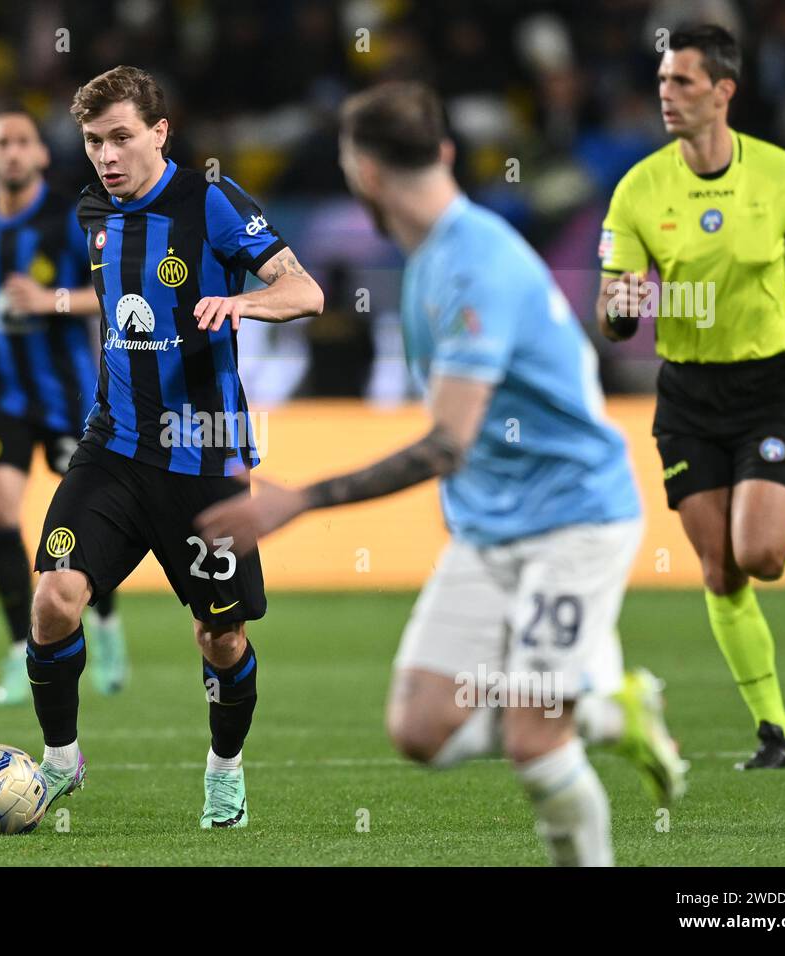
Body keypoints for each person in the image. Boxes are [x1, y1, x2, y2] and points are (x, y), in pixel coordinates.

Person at [197, 81, 687, 866]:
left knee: (534, 739)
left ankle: (576, 738)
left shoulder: (472, 265)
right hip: (490, 528)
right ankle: (607, 711)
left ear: (361, 174)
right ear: (447, 153)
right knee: (420, 730)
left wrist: (302, 501)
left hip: (575, 521)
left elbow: (445, 445)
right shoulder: (429, 260)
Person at [28, 65, 325, 829]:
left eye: (122, 137)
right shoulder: (91, 208)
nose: (107, 156)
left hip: (205, 456)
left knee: (220, 635)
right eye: (94, 141)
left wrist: (242, 301)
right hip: (115, 448)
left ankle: (225, 770)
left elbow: (307, 292)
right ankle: (61, 762)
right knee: (56, 598)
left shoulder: (213, 202)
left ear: (160, 132)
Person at [596, 24, 785, 769]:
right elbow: (613, 320)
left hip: (771, 385)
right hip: (686, 395)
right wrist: (620, 307)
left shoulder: (783, 177)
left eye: (682, 82)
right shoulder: (639, 188)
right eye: (661, 82)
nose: (666, 96)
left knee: (763, 555)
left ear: (724, 92)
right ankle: (776, 732)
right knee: (720, 570)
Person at [0, 110, 128, 706]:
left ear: (42, 155)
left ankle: (104, 630)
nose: (12, 152)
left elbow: (110, 294)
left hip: (67, 395)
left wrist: (50, 299)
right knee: (3, 513)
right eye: (0, 142)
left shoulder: (70, 215)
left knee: (83, 519)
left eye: (23, 141)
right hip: (1, 393)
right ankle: (14, 652)